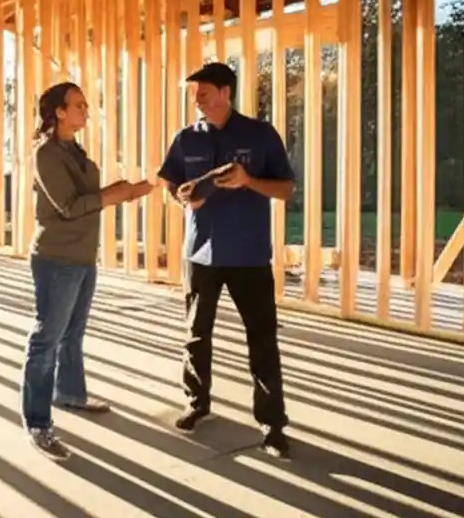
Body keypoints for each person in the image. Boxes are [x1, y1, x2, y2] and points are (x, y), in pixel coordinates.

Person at [156, 61, 295, 459]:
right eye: (193, 93)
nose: (196, 99)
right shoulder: (186, 138)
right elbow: (169, 180)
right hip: (200, 254)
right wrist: (181, 196)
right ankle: (196, 404)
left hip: (249, 256)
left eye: (202, 92)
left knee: (262, 340)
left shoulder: (260, 134)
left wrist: (248, 181)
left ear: (224, 93)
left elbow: (285, 189)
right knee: (196, 334)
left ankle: (272, 424)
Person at [22, 81, 152, 460]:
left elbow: (88, 199)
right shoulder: (46, 153)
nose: (85, 110)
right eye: (78, 105)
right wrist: (116, 195)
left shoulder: (74, 150)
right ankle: (38, 423)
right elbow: (67, 206)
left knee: (72, 334)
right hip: (56, 259)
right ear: (59, 112)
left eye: (85, 104)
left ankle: (71, 394)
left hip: (82, 257)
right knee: (46, 340)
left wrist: (126, 188)